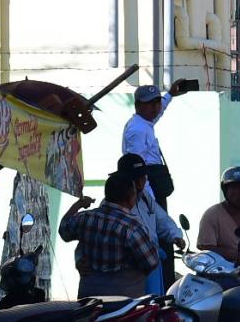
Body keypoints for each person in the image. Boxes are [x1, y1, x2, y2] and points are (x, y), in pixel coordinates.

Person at [59, 171, 162, 299]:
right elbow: (151, 263)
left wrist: (78, 205)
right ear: (130, 197)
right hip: (123, 303)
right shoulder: (133, 229)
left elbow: (63, 230)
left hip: (89, 300)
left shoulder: (85, 218)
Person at [116, 153, 186, 295]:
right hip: (129, 267)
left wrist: (175, 235)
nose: (142, 181)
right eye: (137, 178)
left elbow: (162, 220)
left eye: (143, 177)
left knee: (152, 305)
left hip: (151, 262)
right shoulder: (116, 201)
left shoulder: (146, 198)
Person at [122, 81, 194, 209]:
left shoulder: (144, 121)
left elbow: (160, 111)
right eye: (150, 103)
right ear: (138, 105)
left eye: (157, 102)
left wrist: (170, 94)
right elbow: (137, 169)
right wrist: (150, 201)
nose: (155, 107)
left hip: (153, 185)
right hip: (149, 189)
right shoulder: (138, 129)